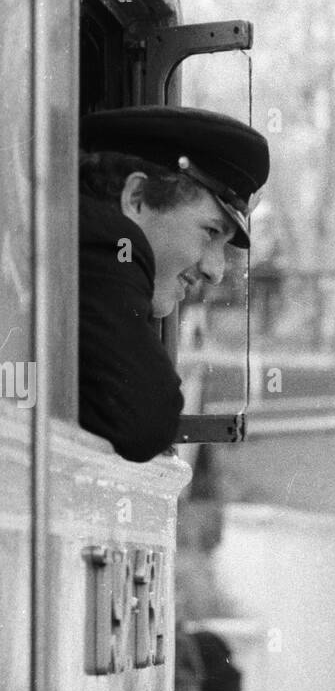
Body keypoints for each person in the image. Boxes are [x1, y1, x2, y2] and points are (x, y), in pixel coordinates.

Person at [78, 105, 270, 463]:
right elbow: (145, 418)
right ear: (136, 198)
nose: (215, 270)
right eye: (210, 231)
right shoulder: (105, 245)